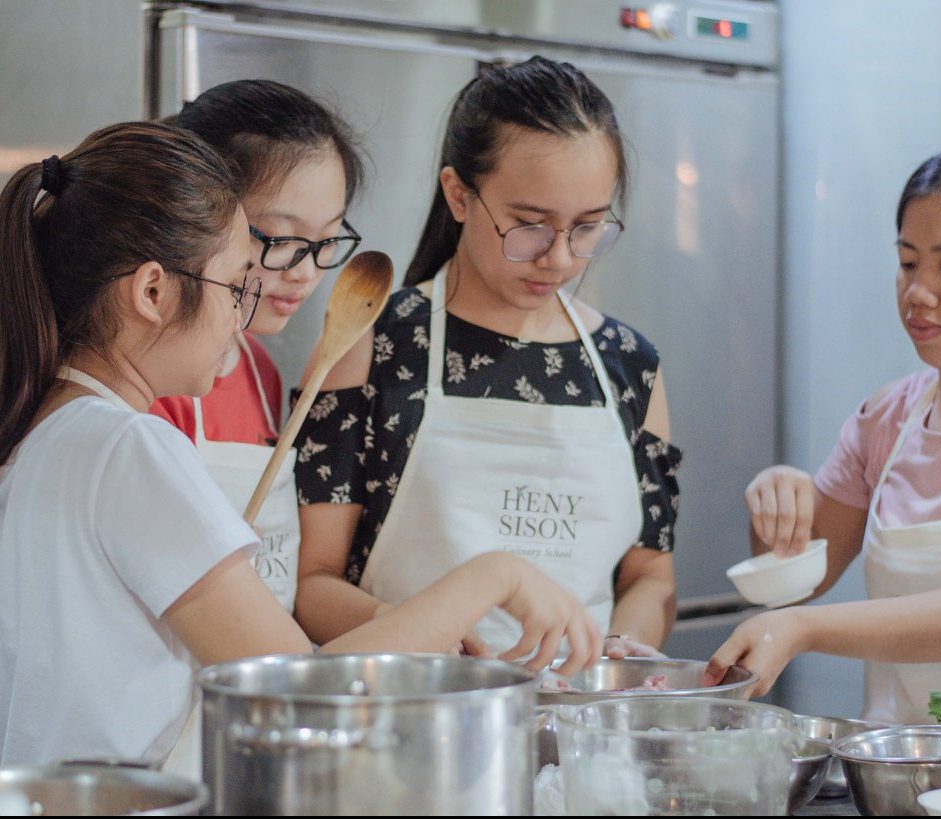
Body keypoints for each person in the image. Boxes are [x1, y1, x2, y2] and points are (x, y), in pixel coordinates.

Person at [0, 122, 601, 769]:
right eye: (236, 288)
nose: (240, 317)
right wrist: (494, 575)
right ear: (152, 292)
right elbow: (300, 694)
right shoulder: (129, 445)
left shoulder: (49, 425)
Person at [293, 56, 683, 660]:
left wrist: (619, 652)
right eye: (529, 225)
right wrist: (421, 634)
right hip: (411, 699)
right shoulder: (370, 342)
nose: (559, 259)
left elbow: (650, 578)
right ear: (459, 194)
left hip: (578, 710)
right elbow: (310, 584)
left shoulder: (631, 366)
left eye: (587, 227)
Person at [703, 146, 941, 723]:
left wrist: (804, 629)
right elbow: (793, 583)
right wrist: (778, 502)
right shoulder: (888, 417)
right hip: (906, 758)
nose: (918, 292)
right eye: (908, 263)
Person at [151, 79, 365, 612]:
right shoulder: (151, 380)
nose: (307, 272)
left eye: (326, 241)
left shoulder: (259, 366)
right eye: (283, 240)